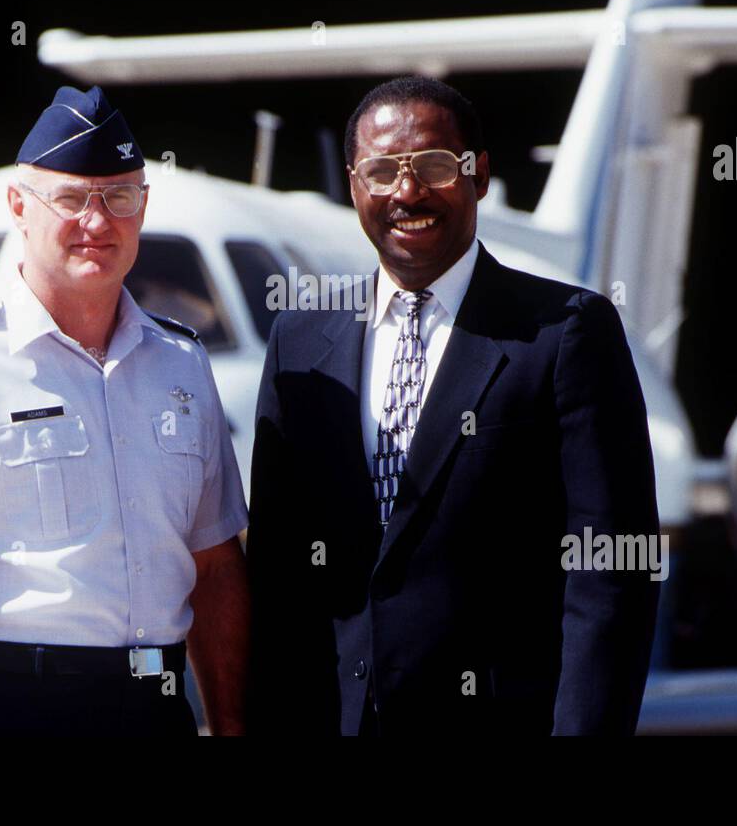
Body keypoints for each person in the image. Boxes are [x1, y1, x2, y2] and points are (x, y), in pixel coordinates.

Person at [246, 75, 660, 735]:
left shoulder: (564, 332)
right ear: (353, 183)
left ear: (480, 175)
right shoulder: (300, 342)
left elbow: (612, 569)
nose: (407, 192)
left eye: (435, 166)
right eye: (381, 171)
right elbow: (277, 574)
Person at [0, 85, 249, 735]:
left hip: (157, 708)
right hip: (13, 708)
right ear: (19, 206)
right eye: (70, 199)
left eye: (119, 197)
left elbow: (216, 564)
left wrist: (233, 726)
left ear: (143, 206)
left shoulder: (182, 363)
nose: (97, 223)